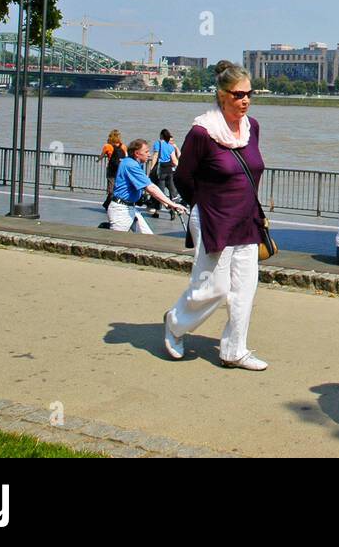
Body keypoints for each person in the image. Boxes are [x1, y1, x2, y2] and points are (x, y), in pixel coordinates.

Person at [164, 61, 269, 371]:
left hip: (246, 219)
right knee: (214, 286)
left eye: (249, 94)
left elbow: (251, 168)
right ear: (223, 95)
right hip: (213, 218)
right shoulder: (202, 132)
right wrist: (205, 204)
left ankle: (234, 350)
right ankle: (175, 323)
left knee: (244, 290)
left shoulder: (253, 128)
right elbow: (183, 177)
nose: (245, 100)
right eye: (239, 95)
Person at [108, 138, 187, 233]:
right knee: (117, 241)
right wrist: (172, 204)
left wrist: (166, 203)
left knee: (147, 236)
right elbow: (151, 188)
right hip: (121, 211)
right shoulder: (131, 165)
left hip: (129, 208)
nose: (149, 154)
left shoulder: (130, 162)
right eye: (146, 152)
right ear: (137, 153)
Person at [146, 128, 181, 219]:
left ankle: (160, 211)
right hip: (169, 171)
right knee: (172, 192)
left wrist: (151, 169)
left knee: (159, 193)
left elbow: (155, 156)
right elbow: (174, 160)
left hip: (161, 171)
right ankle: (173, 208)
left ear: (161, 135)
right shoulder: (170, 146)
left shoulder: (158, 143)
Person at [100, 130, 126, 210]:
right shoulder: (123, 146)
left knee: (111, 189)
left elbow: (101, 155)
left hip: (111, 169)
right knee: (117, 188)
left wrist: (98, 160)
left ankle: (107, 204)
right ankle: (109, 204)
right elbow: (126, 157)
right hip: (120, 170)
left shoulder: (107, 146)